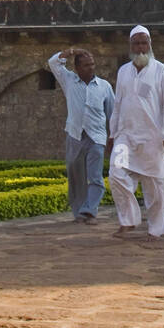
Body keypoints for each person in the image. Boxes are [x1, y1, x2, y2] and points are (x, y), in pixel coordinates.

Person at [108, 25, 164, 241]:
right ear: (130, 46)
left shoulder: (161, 71)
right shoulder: (123, 71)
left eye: (144, 43)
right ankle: (128, 220)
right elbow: (117, 105)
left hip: (154, 138)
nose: (140, 48)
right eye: (136, 43)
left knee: (156, 186)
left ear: (150, 45)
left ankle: (156, 229)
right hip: (125, 136)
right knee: (116, 174)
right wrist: (112, 134)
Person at [48, 47, 115, 224]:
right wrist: (70, 51)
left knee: (95, 177)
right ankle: (79, 212)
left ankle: (90, 211)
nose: (90, 68)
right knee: (75, 176)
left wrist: (113, 136)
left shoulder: (104, 87)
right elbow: (53, 63)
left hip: (97, 137)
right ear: (77, 68)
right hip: (75, 135)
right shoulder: (68, 80)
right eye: (86, 65)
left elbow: (113, 114)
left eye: (92, 64)